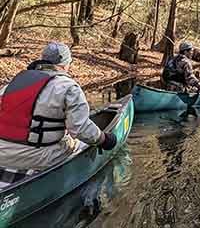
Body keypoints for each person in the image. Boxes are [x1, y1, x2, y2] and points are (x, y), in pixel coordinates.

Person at [0, 42, 117, 174]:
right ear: (65, 64)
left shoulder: (11, 85)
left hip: (2, 154)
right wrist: (104, 139)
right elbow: (80, 129)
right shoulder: (68, 87)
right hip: (39, 159)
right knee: (82, 143)